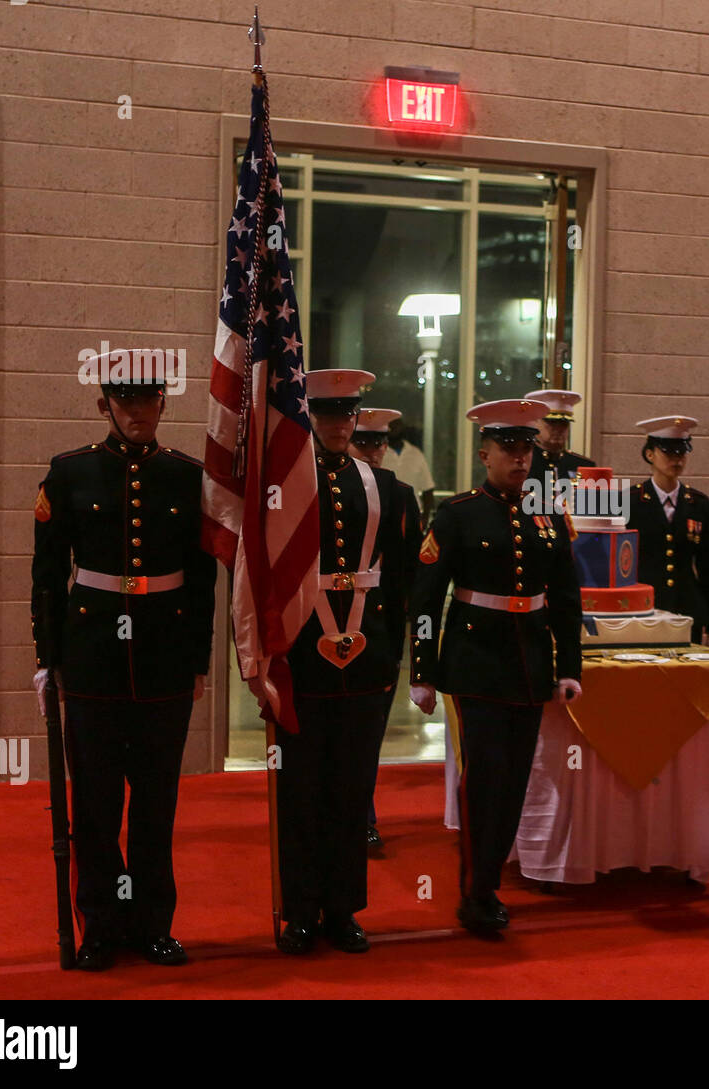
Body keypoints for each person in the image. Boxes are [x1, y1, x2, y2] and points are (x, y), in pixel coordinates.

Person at [30, 352, 216, 970]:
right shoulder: (69, 473)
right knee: (98, 806)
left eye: (149, 400)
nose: (139, 411)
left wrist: (198, 662)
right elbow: (47, 575)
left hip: (163, 656)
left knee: (156, 806)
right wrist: (48, 656)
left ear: (164, 403)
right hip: (92, 661)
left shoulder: (188, 478)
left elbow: (202, 578)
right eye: (126, 401)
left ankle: (152, 925)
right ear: (103, 404)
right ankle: (103, 926)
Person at [407, 398, 583, 933]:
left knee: (513, 782)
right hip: (475, 663)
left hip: (528, 664)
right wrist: (422, 669)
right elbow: (425, 598)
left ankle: (488, 882)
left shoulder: (550, 516)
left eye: (526, 448)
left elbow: (566, 598)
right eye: (509, 449)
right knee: (484, 781)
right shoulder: (458, 513)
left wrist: (569, 666)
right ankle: (477, 892)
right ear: (485, 453)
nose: (520, 459)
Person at [272, 369, 409, 955]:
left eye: (345, 415)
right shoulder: (285, 488)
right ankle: (300, 911)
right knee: (301, 789)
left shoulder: (390, 489)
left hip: (365, 656)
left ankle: (344, 907)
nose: (336, 425)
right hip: (303, 654)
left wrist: (395, 659)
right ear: (309, 418)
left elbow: (401, 582)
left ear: (355, 419)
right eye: (325, 415)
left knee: (352, 791)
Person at [347, 407, 422, 851]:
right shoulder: (321, 489)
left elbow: (408, 573)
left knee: (369, 732)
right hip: (329, 628)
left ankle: (364, 816)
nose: (373, 452)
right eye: (364, 442)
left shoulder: (399, 495)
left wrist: (404, 640)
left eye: (379, 443)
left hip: (378, 632)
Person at [627, 415, 709, 648]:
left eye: (681, 452)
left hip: (687, 610)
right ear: (650, 454)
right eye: (668, 453)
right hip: (644, 610)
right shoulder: (630, 501)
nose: (676, 459)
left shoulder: (698, 503)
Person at [522, 388, 595, 498]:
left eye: (564, 423)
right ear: (535, 423)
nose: (559, 429)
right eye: (552, 422)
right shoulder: (523, 463)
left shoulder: (584, 467)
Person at [383, 415, 436, 520]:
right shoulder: (378, 453)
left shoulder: (416, 454)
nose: (394, 428)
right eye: (391, 425)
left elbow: (428, 490)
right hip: (384, 515)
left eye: (397, 424)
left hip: (412, 516)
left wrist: (425, 519)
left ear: (403, 427)